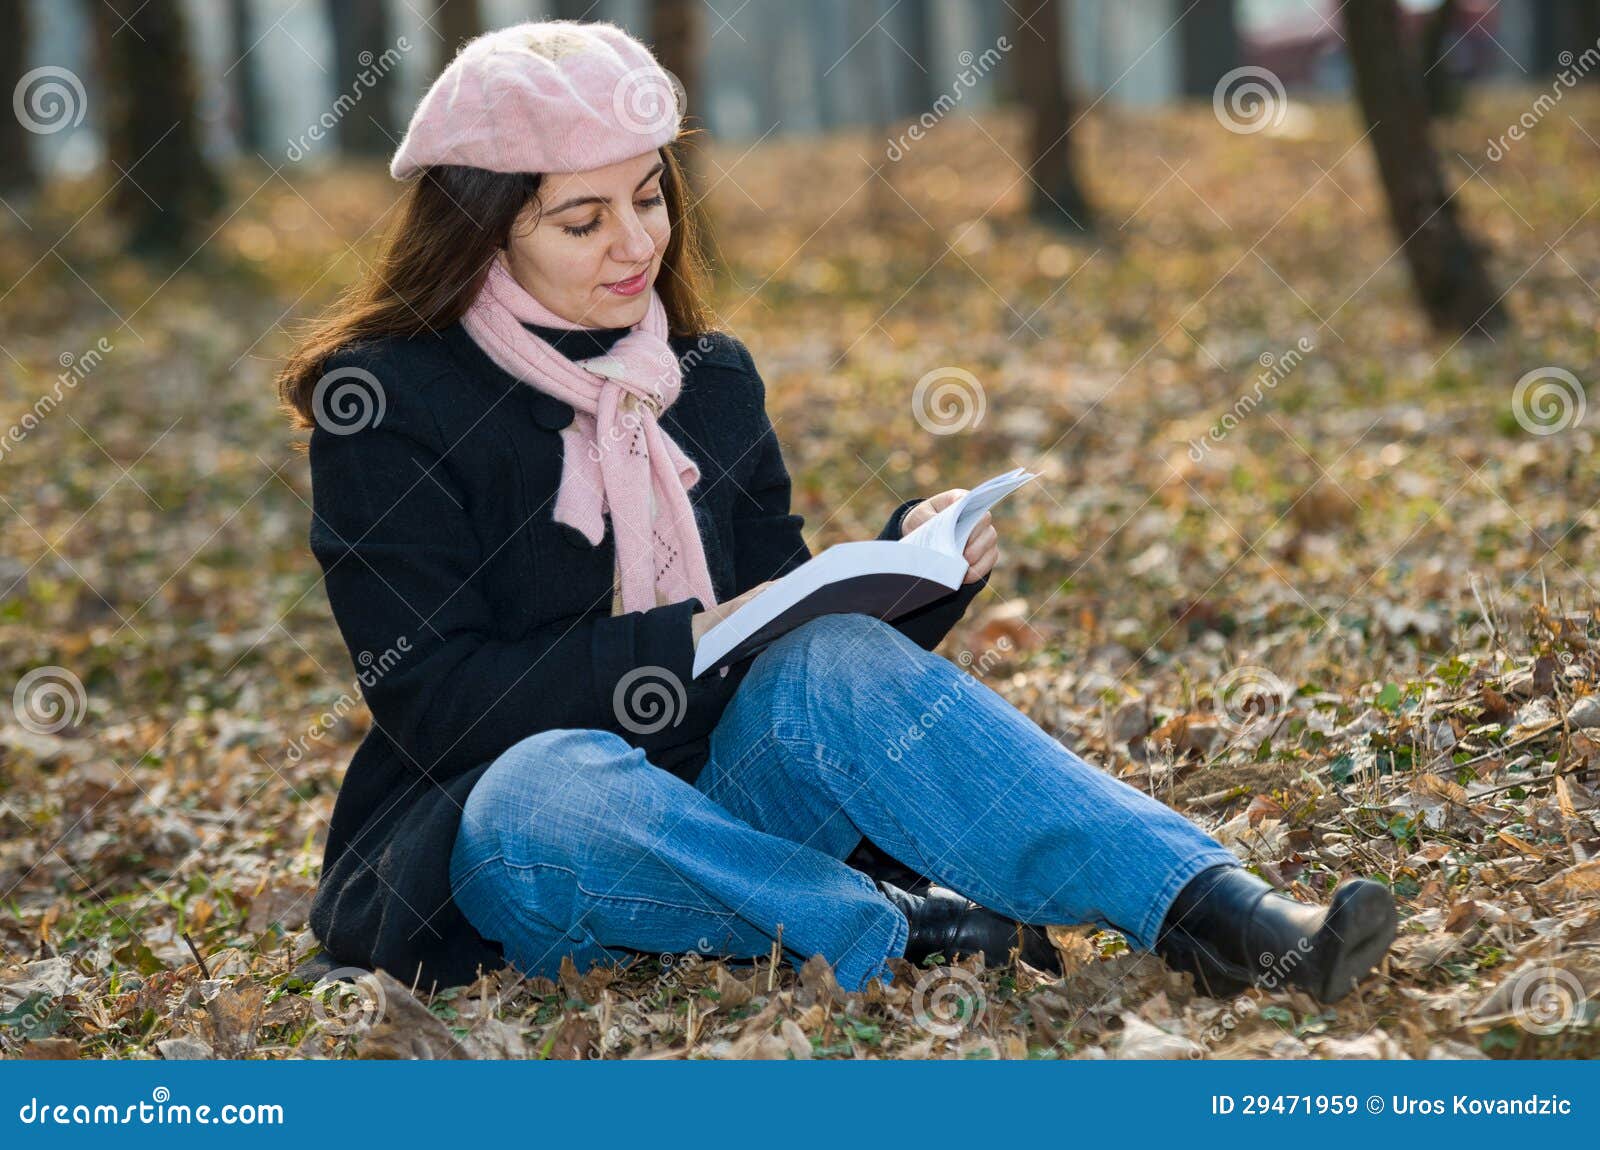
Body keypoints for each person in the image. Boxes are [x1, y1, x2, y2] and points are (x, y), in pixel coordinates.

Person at [277, 20, 1397, 1004]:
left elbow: (789, 629)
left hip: (727, 798)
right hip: (522, 843)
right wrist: (687, 639)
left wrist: (917, 563)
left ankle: (1220, 915)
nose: (638, 242)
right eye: (583, 221)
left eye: (650, 196)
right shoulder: (387, 402)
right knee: (546, 782)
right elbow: (433, 698)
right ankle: (902, 926)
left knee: (838, 659)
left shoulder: (706, 377)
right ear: (480, 231)